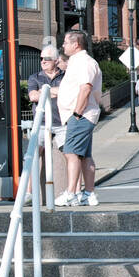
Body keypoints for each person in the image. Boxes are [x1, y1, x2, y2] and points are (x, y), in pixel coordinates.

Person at [55, 29, 102, 207]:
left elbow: (86, 88)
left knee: (71, 153)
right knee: (84, 155)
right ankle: (88, 194)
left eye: (66, 42)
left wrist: (76, 113)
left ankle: (71, 193)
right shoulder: (77, 62)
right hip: (81, 115)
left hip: (80, 115)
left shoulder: (84, 62)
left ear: (76, 44)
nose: (63, 45)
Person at [27, 45, 65, 200]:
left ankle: (71, 192)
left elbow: (68, 92)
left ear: (56, 60)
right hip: (41, 123)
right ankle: (28, 193)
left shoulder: (66, 76)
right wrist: (55, 91)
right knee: (33, 155)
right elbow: (33, 97)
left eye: (47, 58)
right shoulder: (34, 77)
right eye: (41, 58)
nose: (43, 61)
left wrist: (45, 91)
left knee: (71, 155)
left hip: (63, 123)